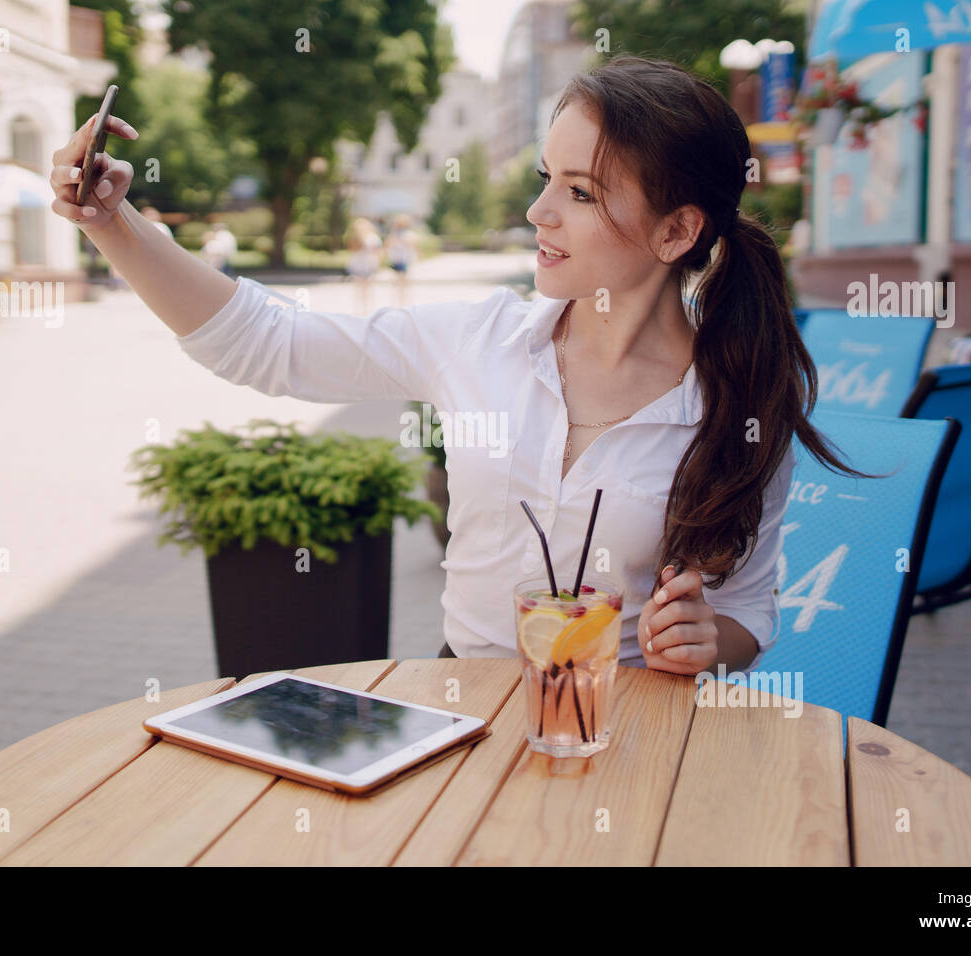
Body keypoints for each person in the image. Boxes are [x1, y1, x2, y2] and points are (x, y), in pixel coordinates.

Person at [50, 56, 865, 676]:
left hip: (622, 730)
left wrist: (703, 640)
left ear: (675, 231)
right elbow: (268, 343)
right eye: (549, 178)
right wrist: (113, 225)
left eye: (581, 193)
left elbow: (747, 610)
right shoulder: (480, 340)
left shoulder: (739, 401)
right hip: (460, 710)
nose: (537, 211)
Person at [344, 216, 382, 312]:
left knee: (368, 288)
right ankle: (360, 308)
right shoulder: (354, 237)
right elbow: (352, 249)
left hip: (369, 265)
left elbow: (378, 252)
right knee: (359, 289)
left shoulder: (373, 237)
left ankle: (368, 308)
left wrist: (377, 264)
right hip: (358, 266)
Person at [383, 213, 419, 306]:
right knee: (396, 282)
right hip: (395, 259)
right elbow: (387, 245)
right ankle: (397, 302)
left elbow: (412, 244)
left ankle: (404, 302)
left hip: (404, 260)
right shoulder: (393, 234)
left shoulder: (409, 234)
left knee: (404, 282)